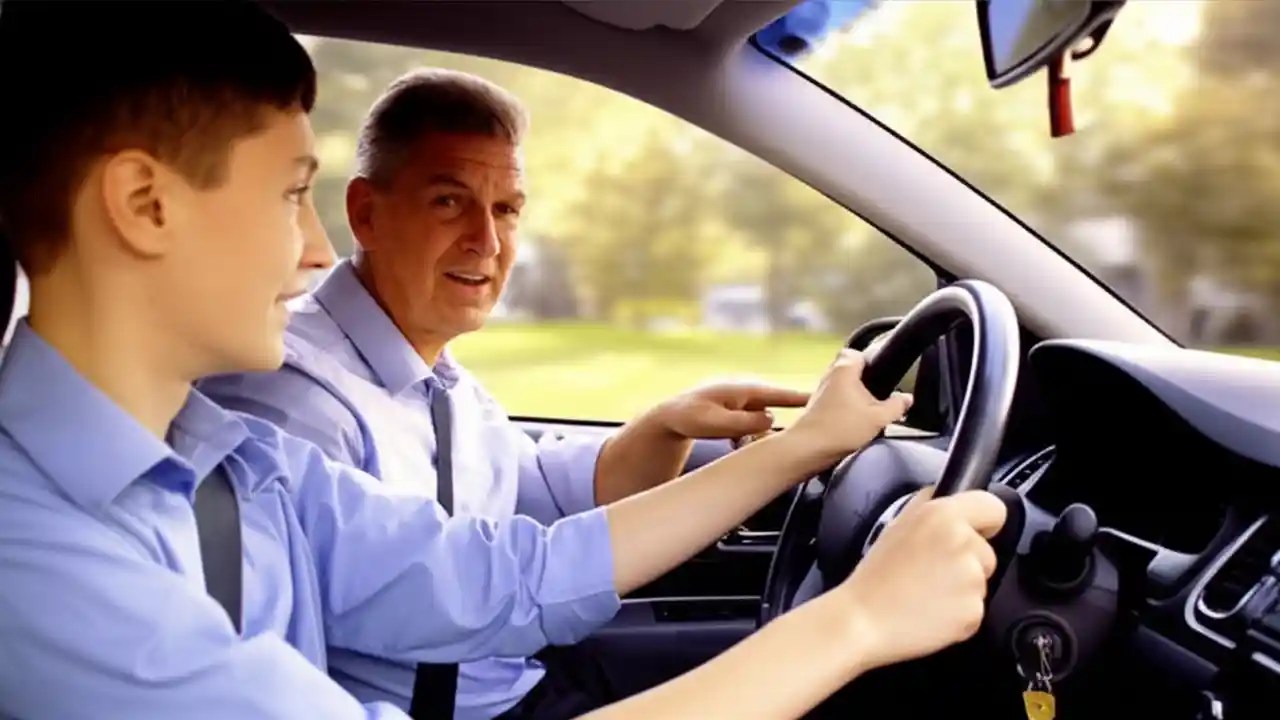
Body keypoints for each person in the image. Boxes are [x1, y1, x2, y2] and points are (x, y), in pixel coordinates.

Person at [0, 2, 1006, 719]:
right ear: (143, 207)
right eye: (285, 195)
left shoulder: (232, 462)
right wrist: (855, 623)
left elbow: (504, 576)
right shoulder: (33, 565)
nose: (311, 251)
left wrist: (796, 454)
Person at [197, 68, 820, 719]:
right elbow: (468, 588)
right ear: (365, 213)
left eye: (506, 210)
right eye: (448, 201)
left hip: (517, 676)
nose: (487, 242)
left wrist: (667, 426)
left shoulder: (439, 379)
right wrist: (795, 459)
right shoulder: (291, 402)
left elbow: (534, 493)